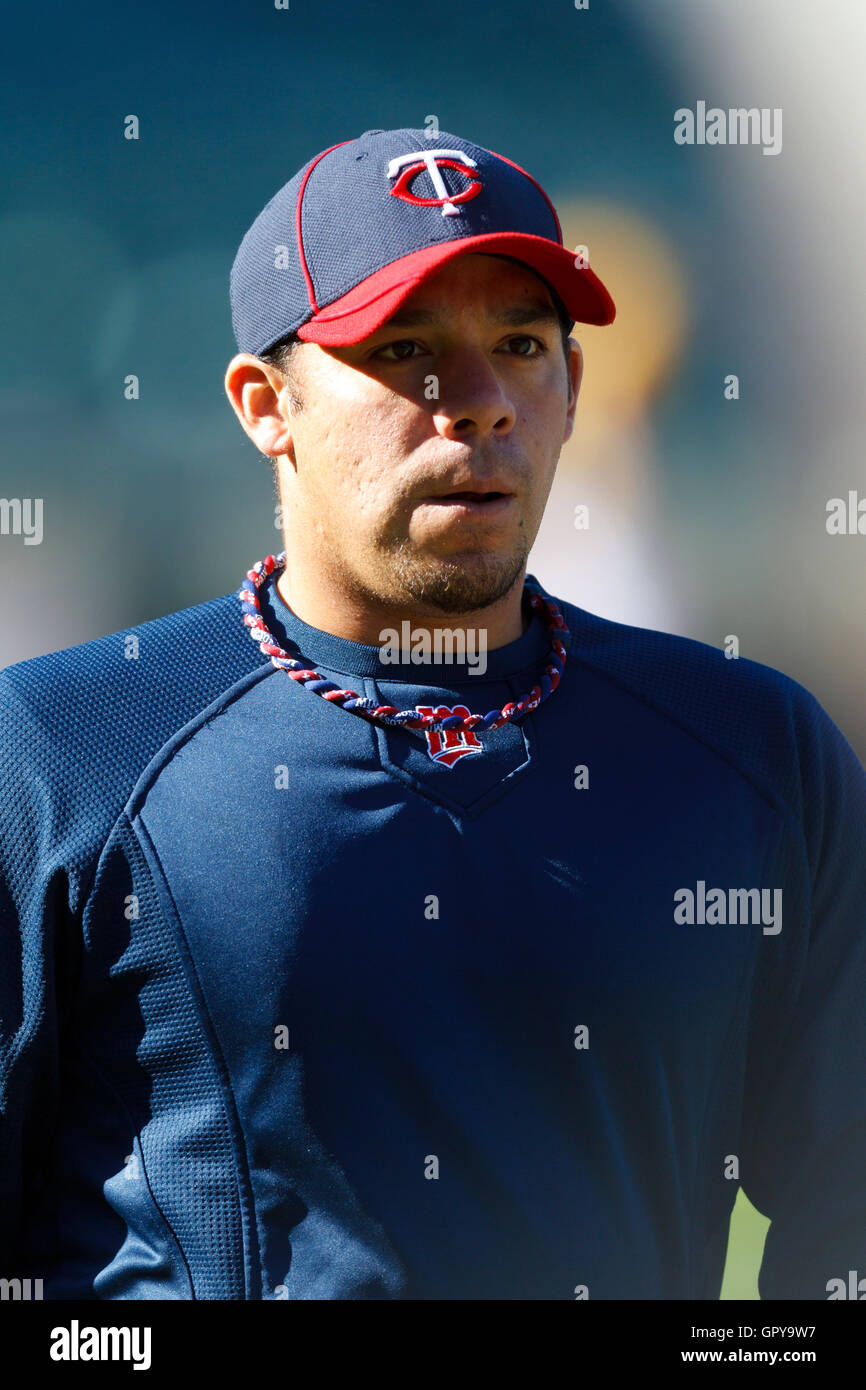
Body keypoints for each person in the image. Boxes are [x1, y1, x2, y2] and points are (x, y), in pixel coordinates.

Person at [1, 126, 864, 1301]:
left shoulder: (753, 750)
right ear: (266, 405)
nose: (478, 403)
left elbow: (839, 1227)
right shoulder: (68, 749)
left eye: (520, 345)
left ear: (574, 391)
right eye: (403, 349)